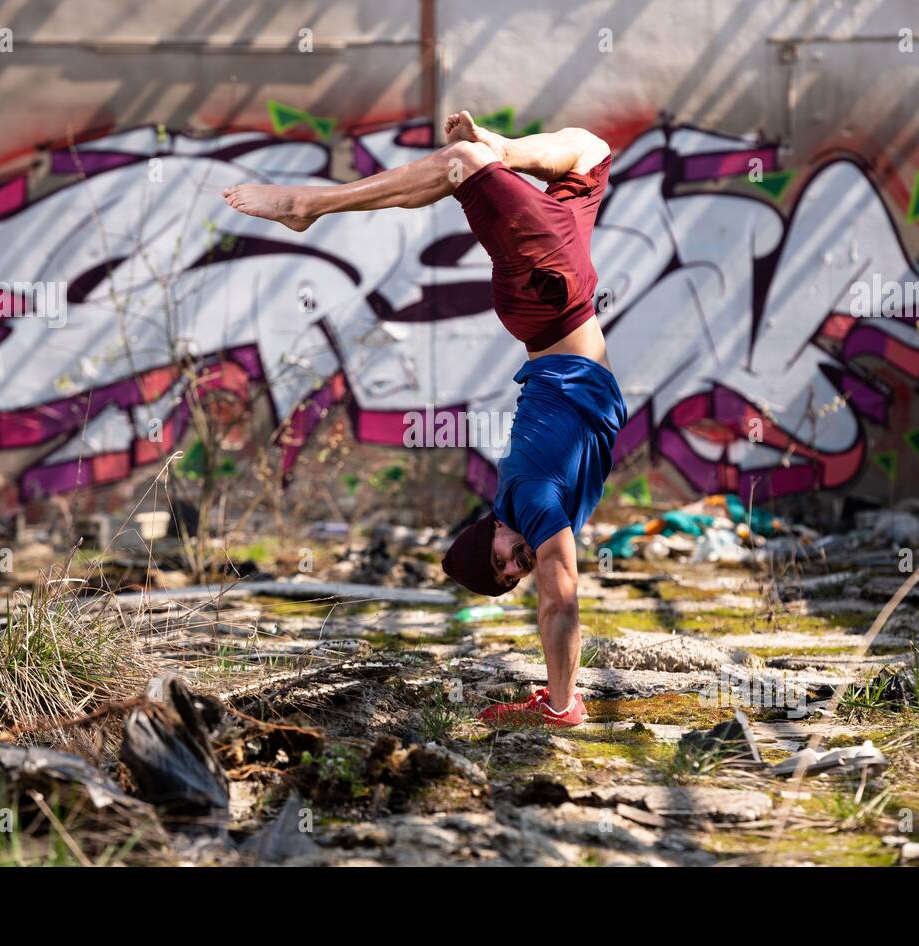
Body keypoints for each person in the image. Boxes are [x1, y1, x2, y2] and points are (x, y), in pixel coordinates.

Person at [224, 111, 626, 726]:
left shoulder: (532, 500)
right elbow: (553, 587)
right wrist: (558, 694)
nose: (518, 562)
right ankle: (503, 149)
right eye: (512, 573)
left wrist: (564, 704)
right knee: (591, 150)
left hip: (549, 296)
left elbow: (559, 595)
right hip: (557, 301)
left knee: (458, 166)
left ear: (489, 527)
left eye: (500, 558)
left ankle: (308, 204)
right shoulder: (549, 512)